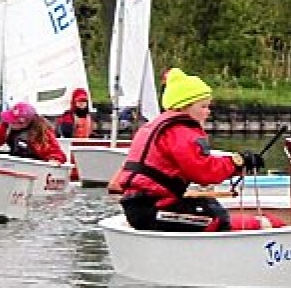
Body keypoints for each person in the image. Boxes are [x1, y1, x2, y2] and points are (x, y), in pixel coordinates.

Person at [109, 68, 266, 231]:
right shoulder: (182, 132)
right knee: (216, 219)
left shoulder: (154, 126)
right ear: (184, 107)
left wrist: (235, 165)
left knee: (208, 206)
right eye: (203, 106)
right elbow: (203, 171)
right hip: (153, 208)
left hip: (141, 206)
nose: (208, 112)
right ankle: (260, 229)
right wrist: (237, 163)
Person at [0, 101, 67, 164]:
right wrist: (4, 125)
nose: (10, 122)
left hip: (31, 167)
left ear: (23, 122)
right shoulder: (7, 126)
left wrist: (54, 160)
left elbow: (56, 153)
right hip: (16, 164)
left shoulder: (40, 132)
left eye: (13, 121)